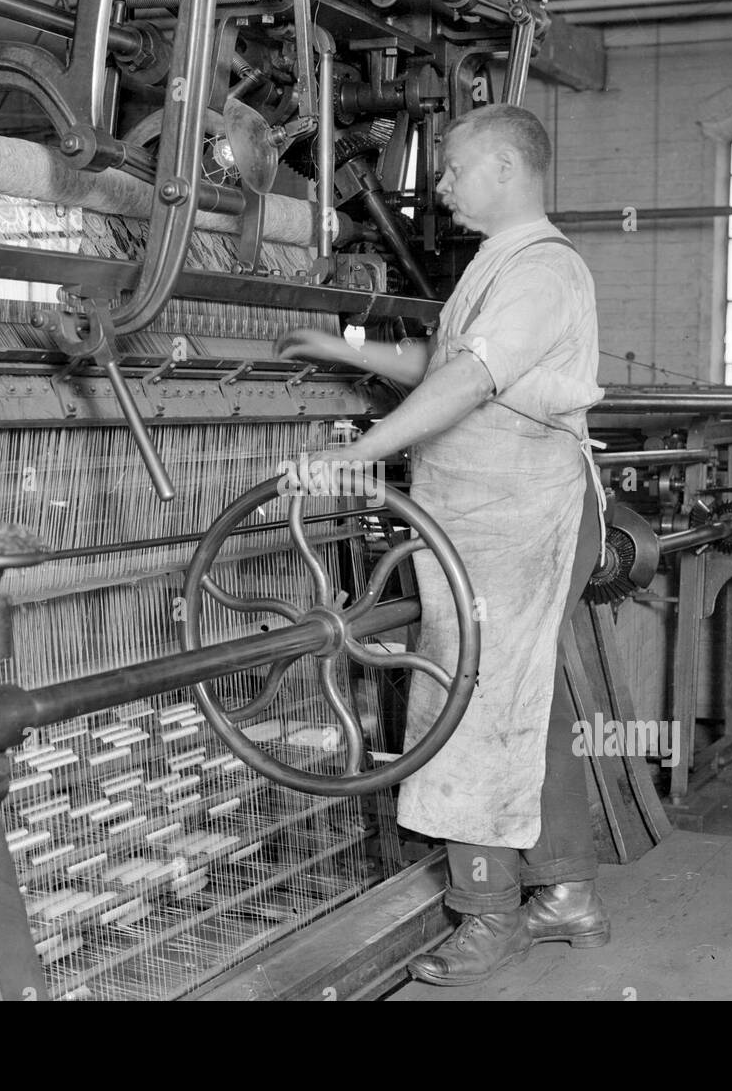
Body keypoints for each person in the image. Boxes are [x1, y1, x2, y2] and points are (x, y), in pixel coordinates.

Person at [277, 103, 607, 987]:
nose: (444, 185)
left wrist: (355, 454)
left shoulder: (539, 270)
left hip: (518, 522)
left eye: (456, 169)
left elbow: (468, 379)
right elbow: (442, 361)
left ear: (506, 166)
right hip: (487, 522)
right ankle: (566, 892)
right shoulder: (502, 267)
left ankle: (488, 914)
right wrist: (344, 347)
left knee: (466, 709)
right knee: (525, 703)